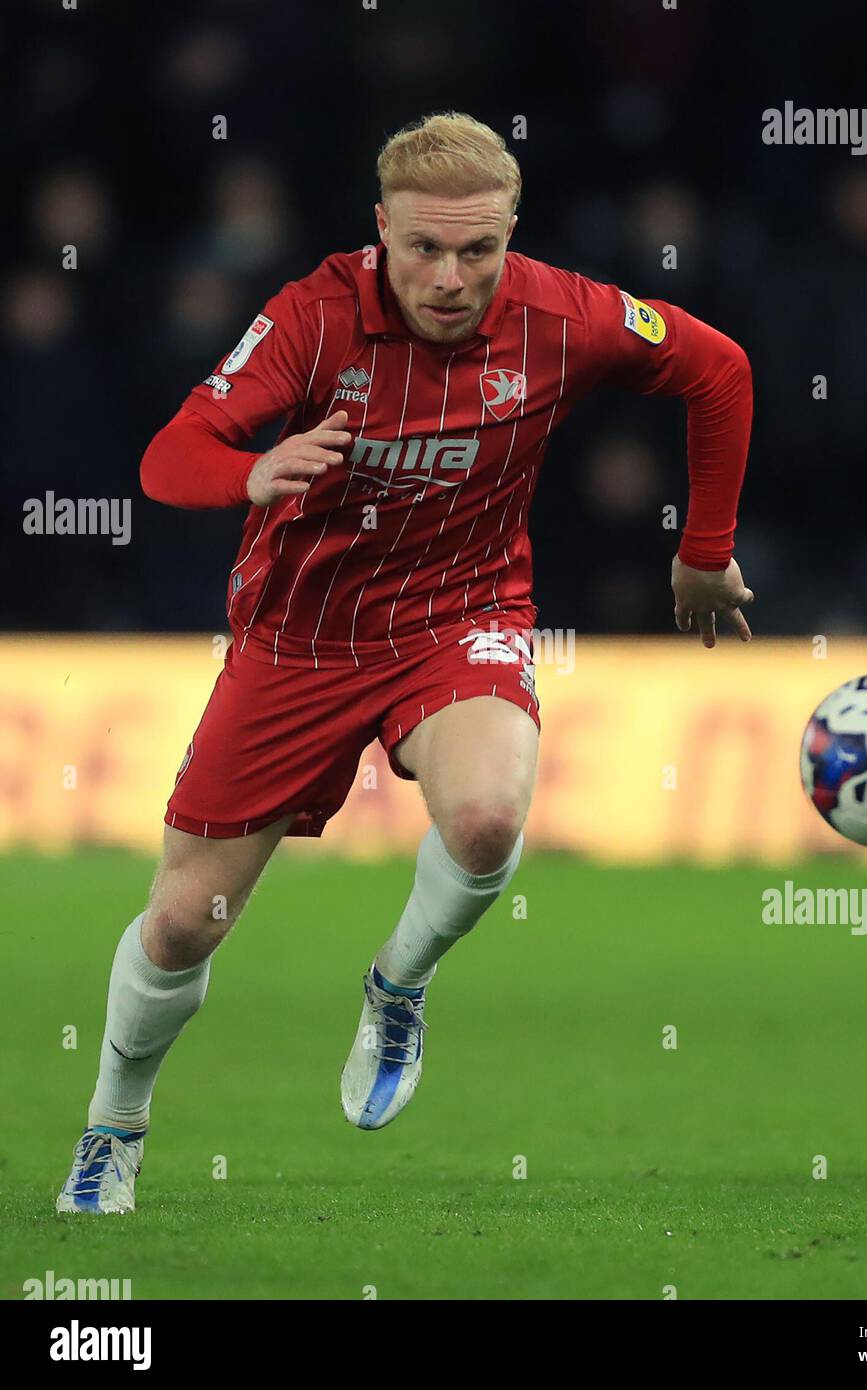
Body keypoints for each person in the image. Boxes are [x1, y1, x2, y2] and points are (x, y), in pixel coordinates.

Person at [57, 111, 754, 1213]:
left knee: (485, 818)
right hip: (300, 640)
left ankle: (397, 984)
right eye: (423, 248)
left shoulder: (559, 315)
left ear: (508, 236)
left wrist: (704, 551)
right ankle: (115, 1126)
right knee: (186, 919)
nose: (449, 276)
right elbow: (168, 456)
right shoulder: (310, 317)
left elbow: (718, 369)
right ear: (380, 228)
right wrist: (251, 471)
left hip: (457, 614)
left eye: (477, 251)